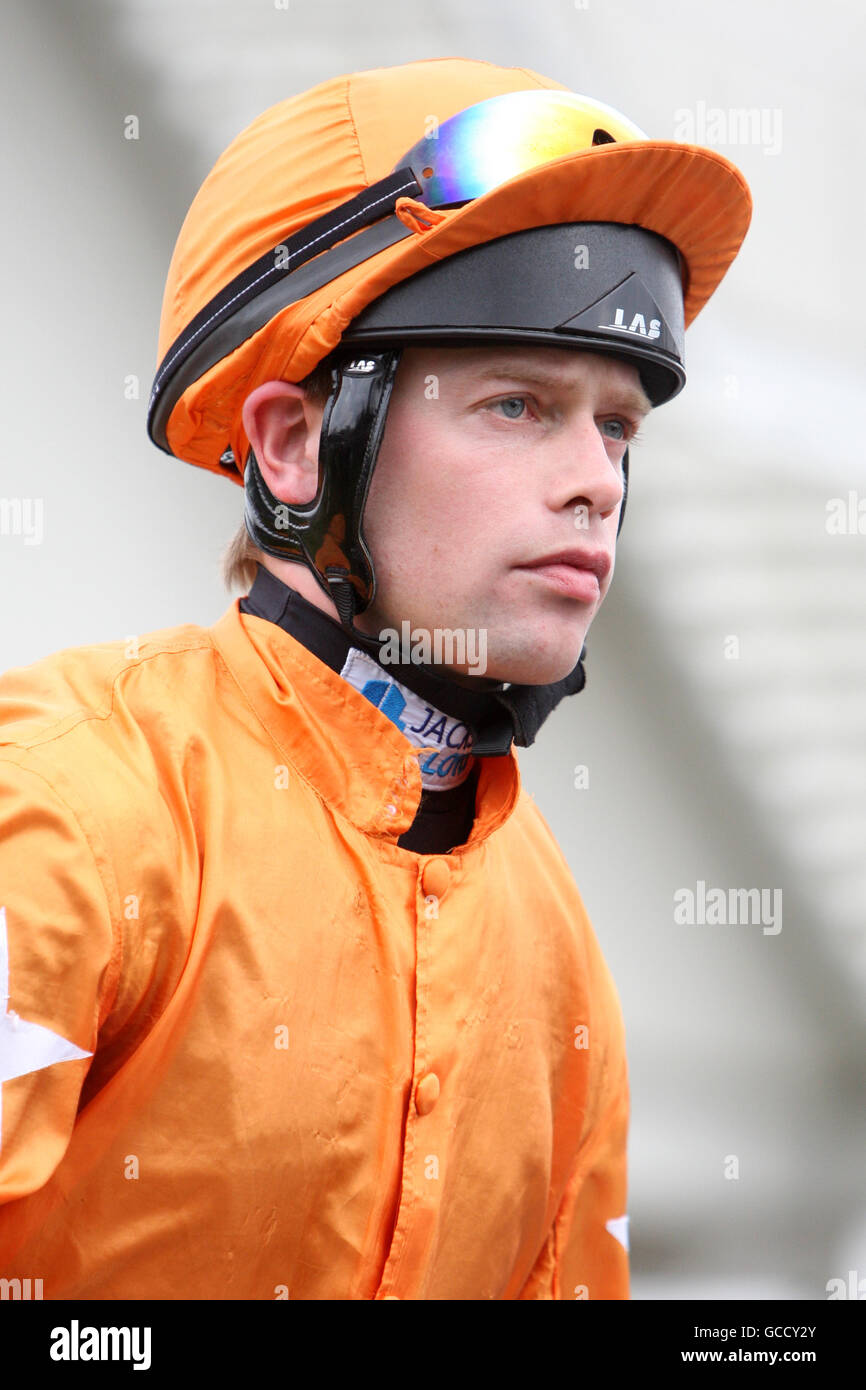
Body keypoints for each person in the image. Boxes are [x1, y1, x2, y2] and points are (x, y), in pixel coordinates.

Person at [0, 57, 751, 1300]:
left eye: (616, 424)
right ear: (295, 446)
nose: (596, 481)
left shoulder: (556, 946)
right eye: (518, 406)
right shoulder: (65, 809)